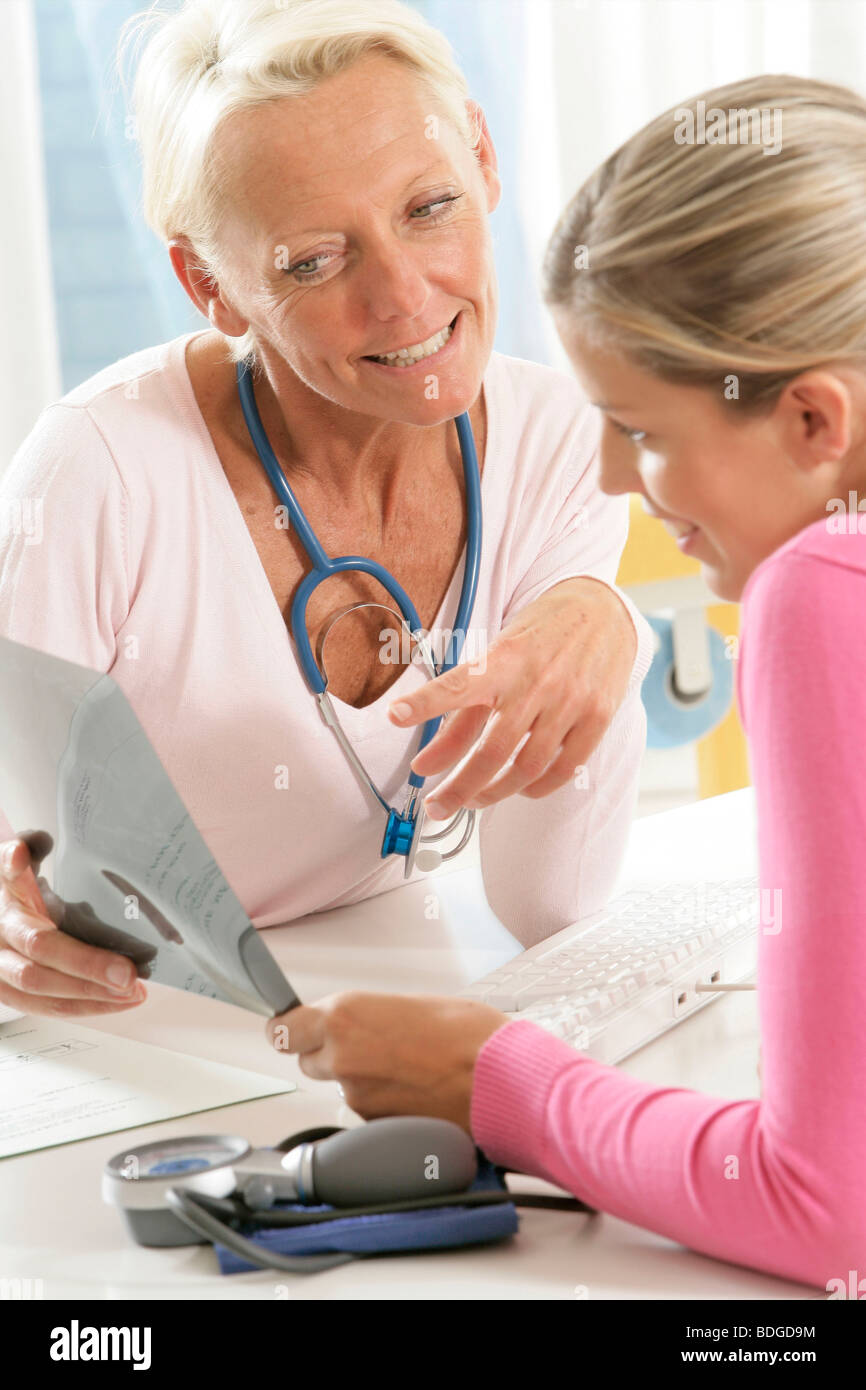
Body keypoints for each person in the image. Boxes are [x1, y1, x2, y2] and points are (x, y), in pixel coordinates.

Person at [271, 75, 866, 1290]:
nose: (604, 476)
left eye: (639, 429)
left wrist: (496, 1083)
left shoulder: (819, 591)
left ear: (812, 420)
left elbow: (822, 1208)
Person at [0, 0, 652, 1021]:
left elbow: (547, 902)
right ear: (209, 284)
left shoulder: (558, 440)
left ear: (480, 157)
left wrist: (606, 631)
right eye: (314, 260)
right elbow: (17, 863)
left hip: (378, 1012)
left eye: (428, 205)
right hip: (133, 1042)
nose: (402, 294)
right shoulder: (99, 473)